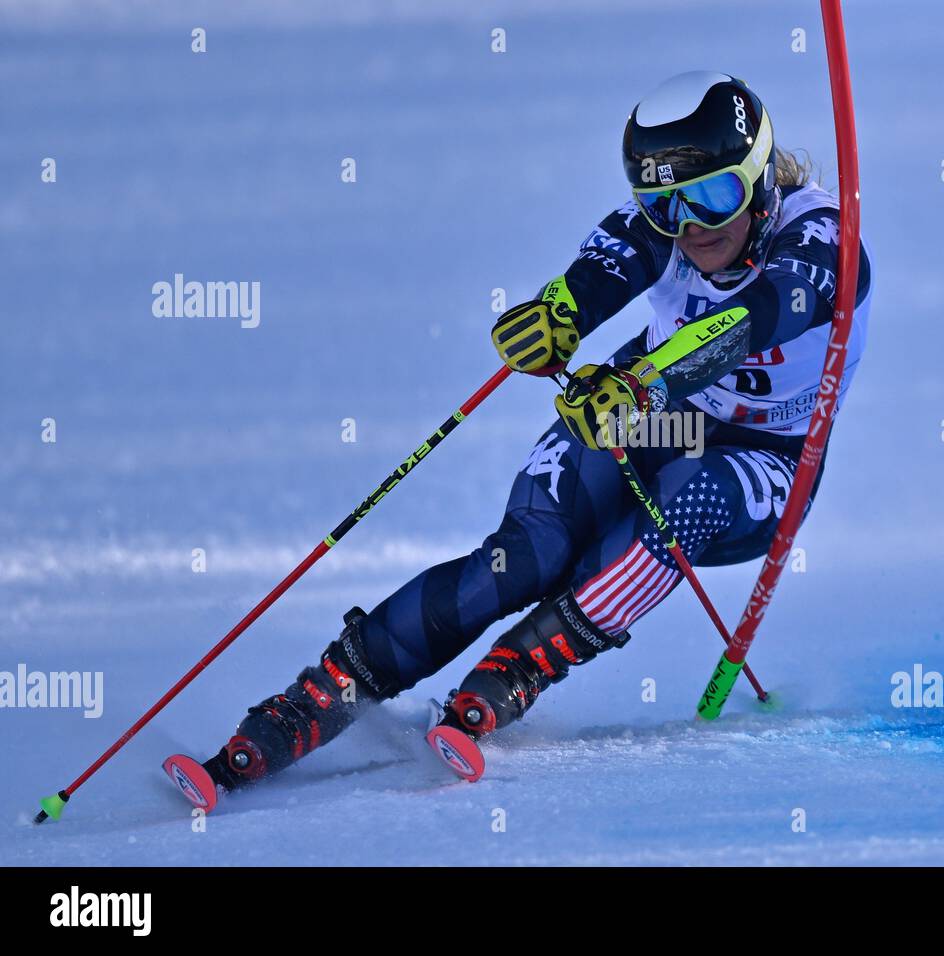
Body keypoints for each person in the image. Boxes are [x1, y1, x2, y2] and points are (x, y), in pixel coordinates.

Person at [192, 70, 872, 797]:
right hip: (649, 404)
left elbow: (749, 321)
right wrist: (558, 317)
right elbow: (596, 277)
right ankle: (317, 697)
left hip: (765, 459)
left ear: (762, 178)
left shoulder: (825, 241)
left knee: (685, 506)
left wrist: (647, 383)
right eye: (663, 202)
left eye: (712, 196)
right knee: (527, 556)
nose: (690, 225)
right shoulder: (662, 230)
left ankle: (516, 670)